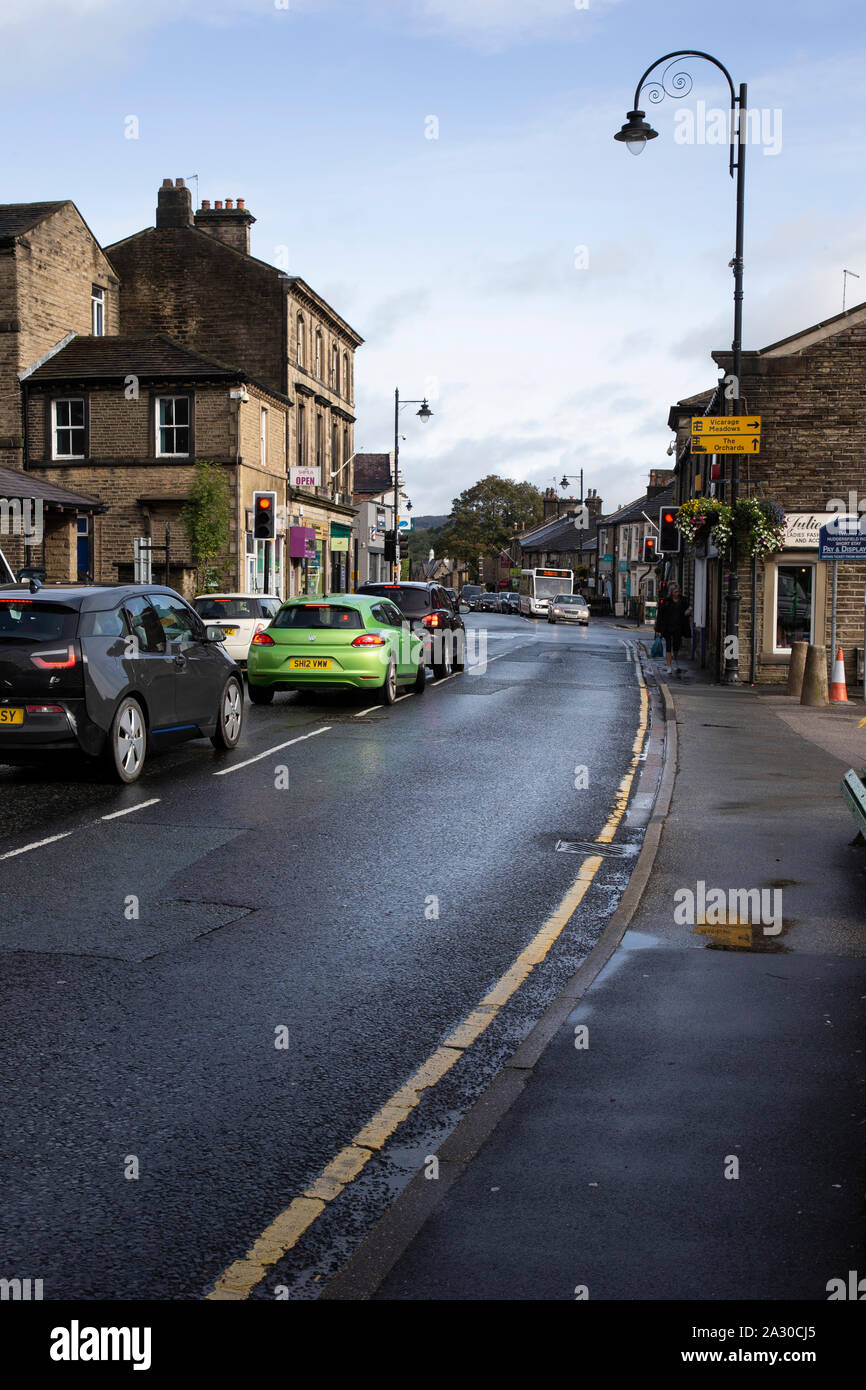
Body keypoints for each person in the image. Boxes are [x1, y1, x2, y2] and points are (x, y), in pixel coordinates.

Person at [655, 583, 692, 675]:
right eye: (675, 592)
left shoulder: (683, 600)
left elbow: (689, 607)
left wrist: (688, 611)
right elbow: (660, 615)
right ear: (671, 592)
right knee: (668, 646)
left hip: (678, 627)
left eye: (678, 591)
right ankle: (669, 666)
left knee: (676, 646)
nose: (677, 593)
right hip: (667, 627)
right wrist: (657, 629)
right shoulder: (666, 602)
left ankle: (675, 660)